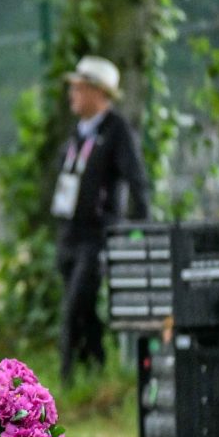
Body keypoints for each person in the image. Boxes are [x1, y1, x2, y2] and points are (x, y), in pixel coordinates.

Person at [52, 55, 147, 384]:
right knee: (84, 309)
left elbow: (137, 181)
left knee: (75, 307)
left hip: (97, 235)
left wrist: (139, 232)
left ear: (98, 92)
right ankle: (95, 367)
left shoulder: (116, 130)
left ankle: (63, 380)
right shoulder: (77, 133)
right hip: (69, 233)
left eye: (79, 88)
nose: (72, 95)